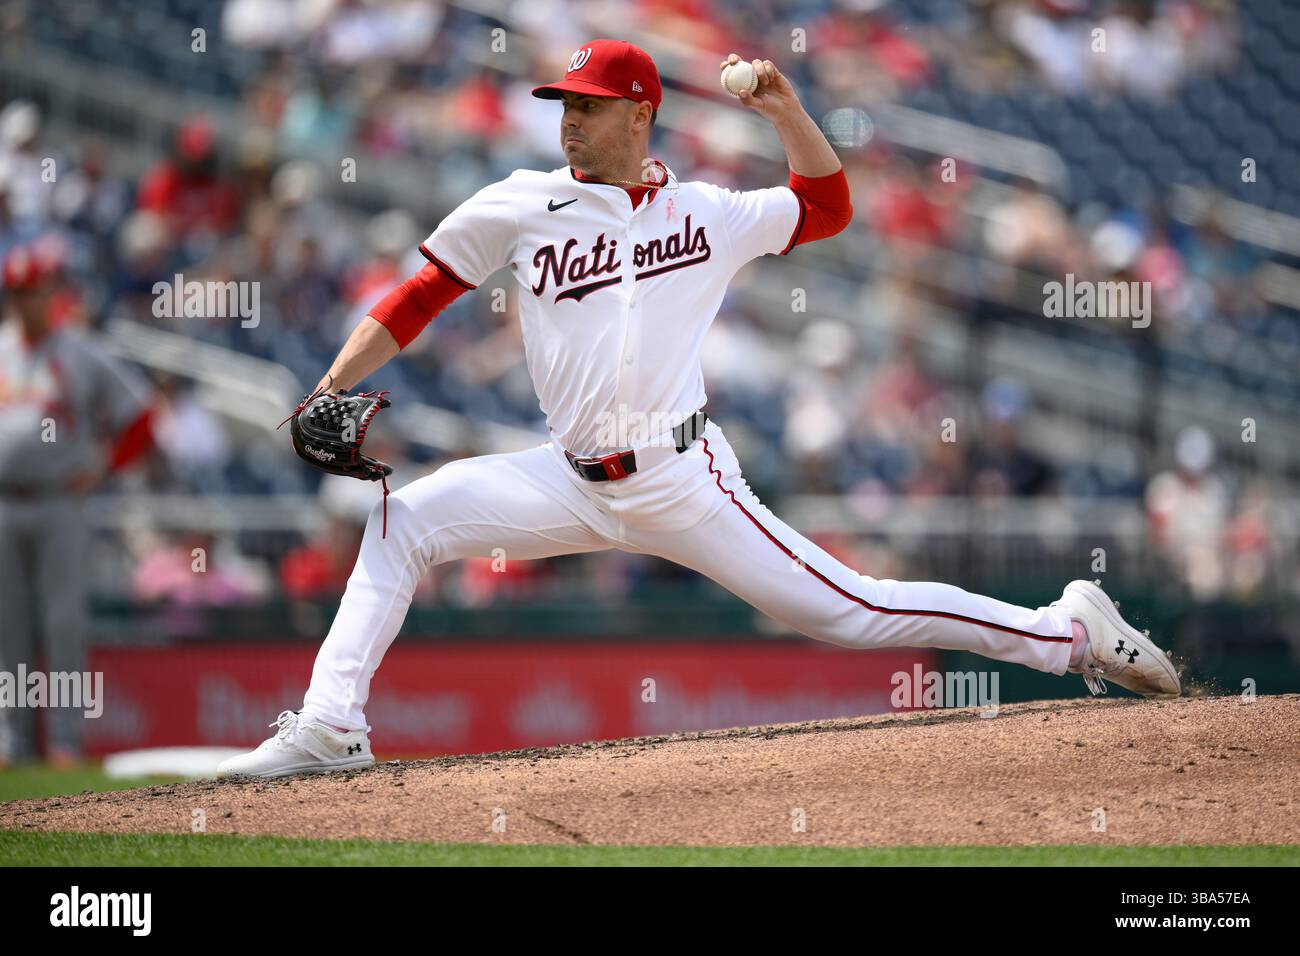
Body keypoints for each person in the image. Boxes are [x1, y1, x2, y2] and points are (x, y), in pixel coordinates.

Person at [218, 40, 1179, 779]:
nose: (568, 121)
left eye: (588, 107)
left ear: (639, 114)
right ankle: (333, 727)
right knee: (401, 520)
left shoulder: (709, 215)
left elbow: (827, 207)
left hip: (684, 479)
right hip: (568, 475)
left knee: (855, 613)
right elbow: (419, 295)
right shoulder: (520, 204)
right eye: (563, 104)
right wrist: (333, 384)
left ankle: (1069, 633)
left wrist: (787, 109)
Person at [0, 241, 154, 766]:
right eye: (16, 292)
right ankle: (11, 742)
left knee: (63, 623)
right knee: (8, 624)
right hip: (5, 502)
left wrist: (105, 466)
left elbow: (139, 416)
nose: (24, 301)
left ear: (51, 293)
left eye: (32, 291)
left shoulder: (78, 353)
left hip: (60, 501)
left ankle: (65, 741)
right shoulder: (2, 349)